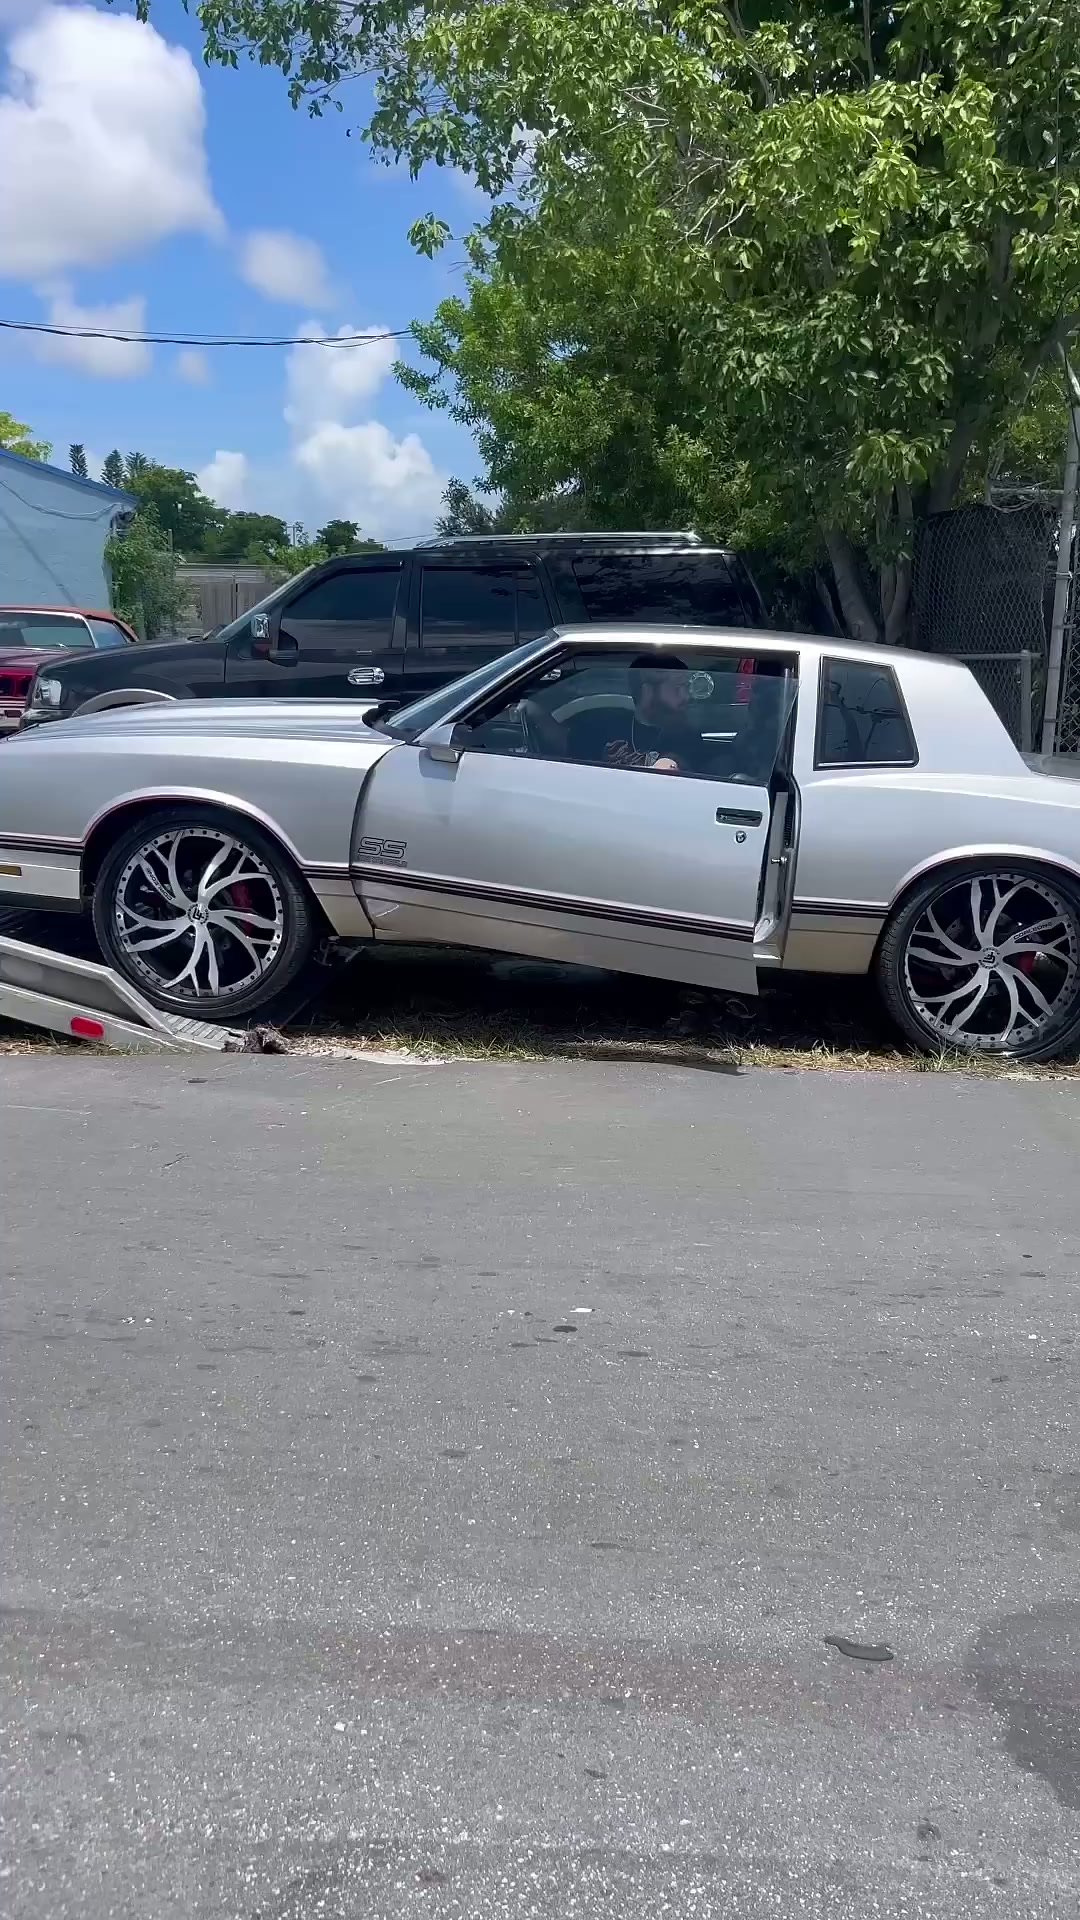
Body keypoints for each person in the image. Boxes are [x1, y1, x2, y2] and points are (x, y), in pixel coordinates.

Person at [567, 654, 703, 774]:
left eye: (686, 688)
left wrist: (670, 764)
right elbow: (563, 748)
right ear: (647, 692)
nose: (686, 696)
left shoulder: (686, 736)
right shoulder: (604, 726)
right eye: (678, 687)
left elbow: (673, 761)